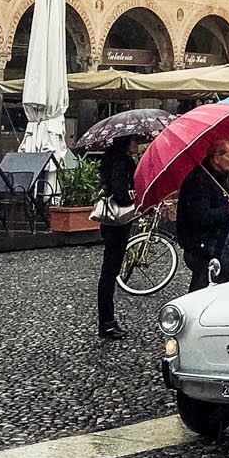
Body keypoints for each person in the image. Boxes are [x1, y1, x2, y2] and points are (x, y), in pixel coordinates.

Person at [179, 138, 229, 292]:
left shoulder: (222, 176)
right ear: (217, 158)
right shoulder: (199, 181)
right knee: (204, 289)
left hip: (224, 246)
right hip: (206, 248)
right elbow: (200, 217)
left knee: (225, 287)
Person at [95, 135, 142, 340]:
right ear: (126, 142)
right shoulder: (120, 162)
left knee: (110, 272)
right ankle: (106, 323)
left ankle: (107, 321)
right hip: (116, 223)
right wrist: (135, 196)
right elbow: (121, 193)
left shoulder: (115, 159)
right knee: (109, 273)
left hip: (113, 224)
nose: (137, 145)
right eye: (135, 141)